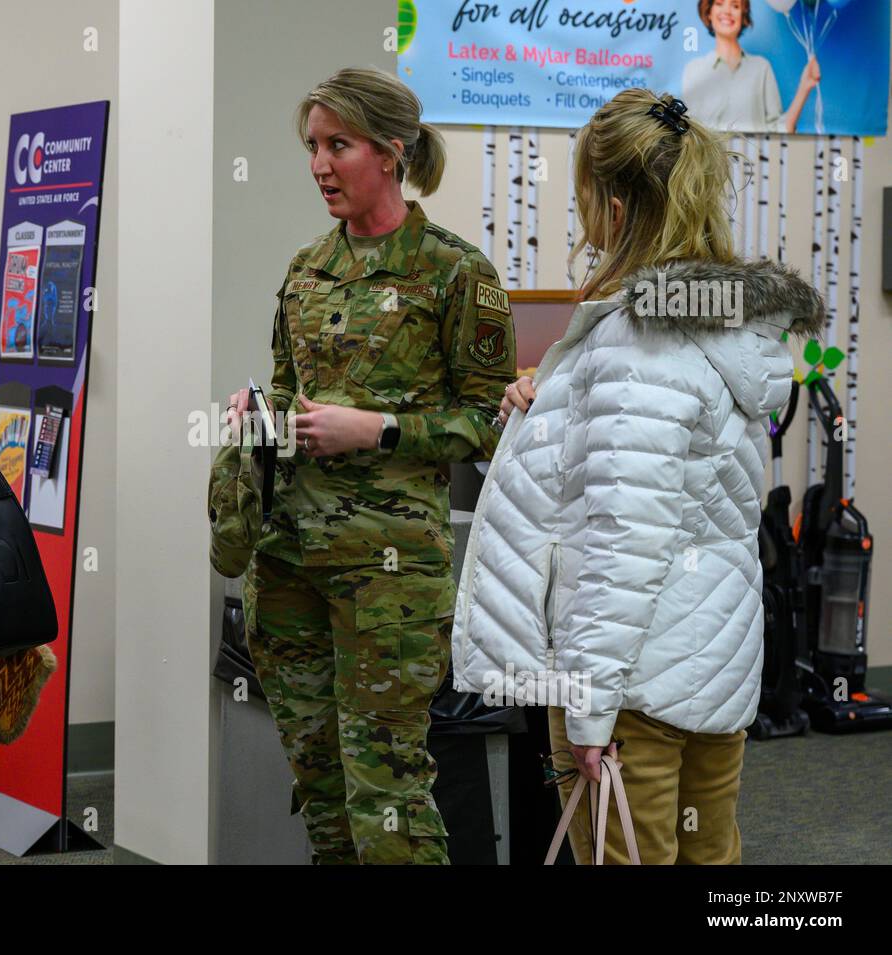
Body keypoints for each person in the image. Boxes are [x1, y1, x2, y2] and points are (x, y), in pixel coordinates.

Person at [451, 89, 824, 864]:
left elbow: (621, 542)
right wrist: (540, 406)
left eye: (585, 192)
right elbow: (675, 488)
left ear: (614, 207)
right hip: (712, 665)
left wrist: (585, 714)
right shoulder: (724, 325)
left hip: (628, 687)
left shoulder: (636, 340)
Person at [225, 66, 516, 865]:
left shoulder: (458, 273)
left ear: (392, 151)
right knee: (320, 790)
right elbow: (288, 390)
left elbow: (488, 424)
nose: (319, 163)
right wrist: (259, 418)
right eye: (312, 146)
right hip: (288, 565)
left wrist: (378, 429)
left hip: (387, 578)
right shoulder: (305, 269)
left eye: (338, 145)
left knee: (385, 794)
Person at [681, 0, 820, 133]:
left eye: (735, 6)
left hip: (753, 156)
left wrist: (804, 87)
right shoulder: (694, 70)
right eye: (719, 3)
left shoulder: (761, 68)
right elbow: (688, 130)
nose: (727, 11)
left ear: (743, 15)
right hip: (709, 157)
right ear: (709, 13)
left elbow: (778, 130)